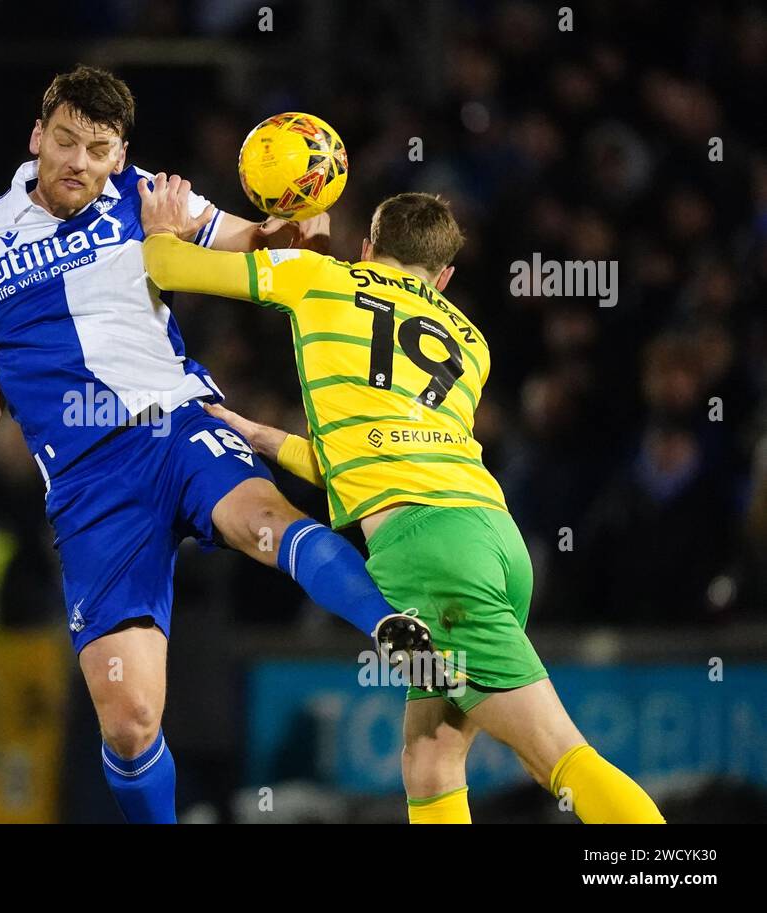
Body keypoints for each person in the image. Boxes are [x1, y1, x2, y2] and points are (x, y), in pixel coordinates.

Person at [0, 66, 434, 824]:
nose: (77, 161)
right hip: (89, 483)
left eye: (97, 148)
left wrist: (297, 217)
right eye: (63, 141)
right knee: (129, 721)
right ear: (37, 138)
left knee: (263, 518)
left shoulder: (147, 197)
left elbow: (255, 244)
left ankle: (392, 631)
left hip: (177, 422)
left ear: (118, 152)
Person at [138, 176, 664, 824]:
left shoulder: (316, 278)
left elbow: (164, 267)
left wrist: (163, 228)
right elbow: (388, 456)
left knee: (556, 754)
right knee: (430, 759)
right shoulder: (473, 343)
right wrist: (264, 438)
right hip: (496, 537)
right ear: (441, 278)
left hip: (428, 551)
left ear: (366, 245)